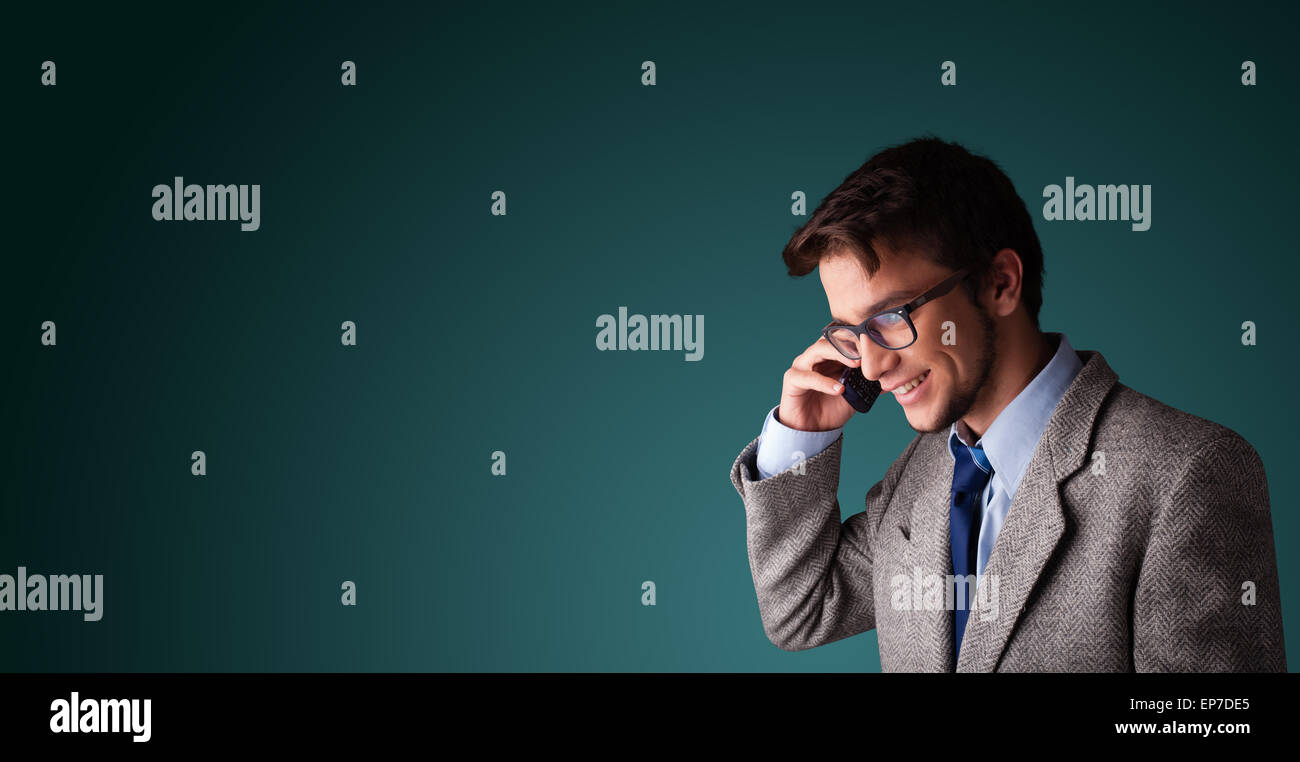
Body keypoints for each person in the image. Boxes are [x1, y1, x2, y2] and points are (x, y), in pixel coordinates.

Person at [729, 136, 1287, 671]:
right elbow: (799, 613)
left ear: (1000, 283)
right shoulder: (916, 480)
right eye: (853, 333)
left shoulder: (1185, 473)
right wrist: (801, 437)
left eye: (892, 318)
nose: (871, 367)